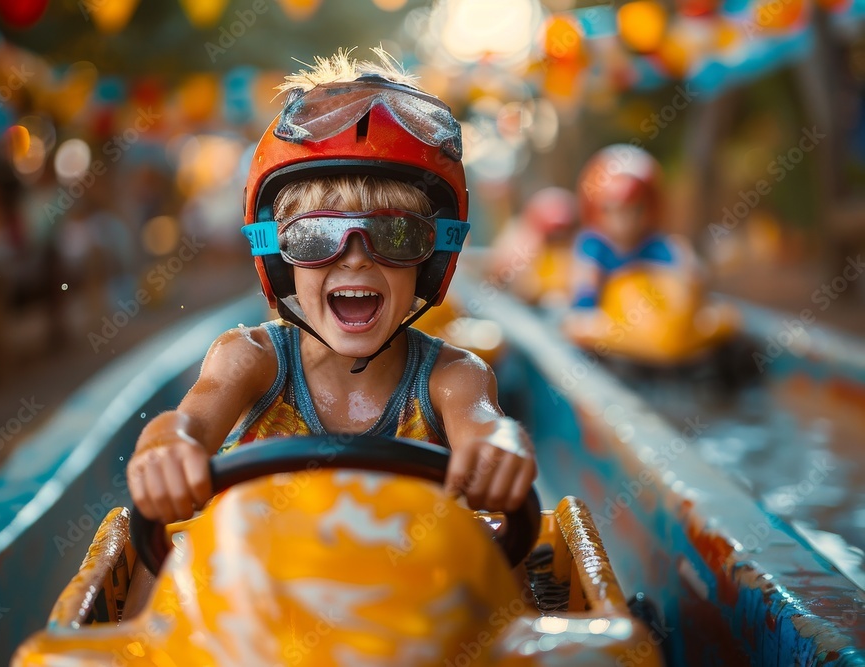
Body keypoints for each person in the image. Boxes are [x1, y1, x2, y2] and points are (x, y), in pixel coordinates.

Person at [127, 48, 536, 527]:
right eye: (315, 236)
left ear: (430, 262)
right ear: (280, 263)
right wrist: (166, 446)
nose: (355, 256)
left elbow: (486, 426)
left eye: (395, 235)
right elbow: (188, 423)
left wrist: (501, 445)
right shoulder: (251, 359)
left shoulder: (453, 376)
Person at [568, 144, 695, 311]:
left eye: (633, 210)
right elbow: (582, 292)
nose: (623, 221)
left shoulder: (656, 245)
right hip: (605, 321)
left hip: (651, 324)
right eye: (613, 210)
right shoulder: (593, 245)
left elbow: (686, 280)